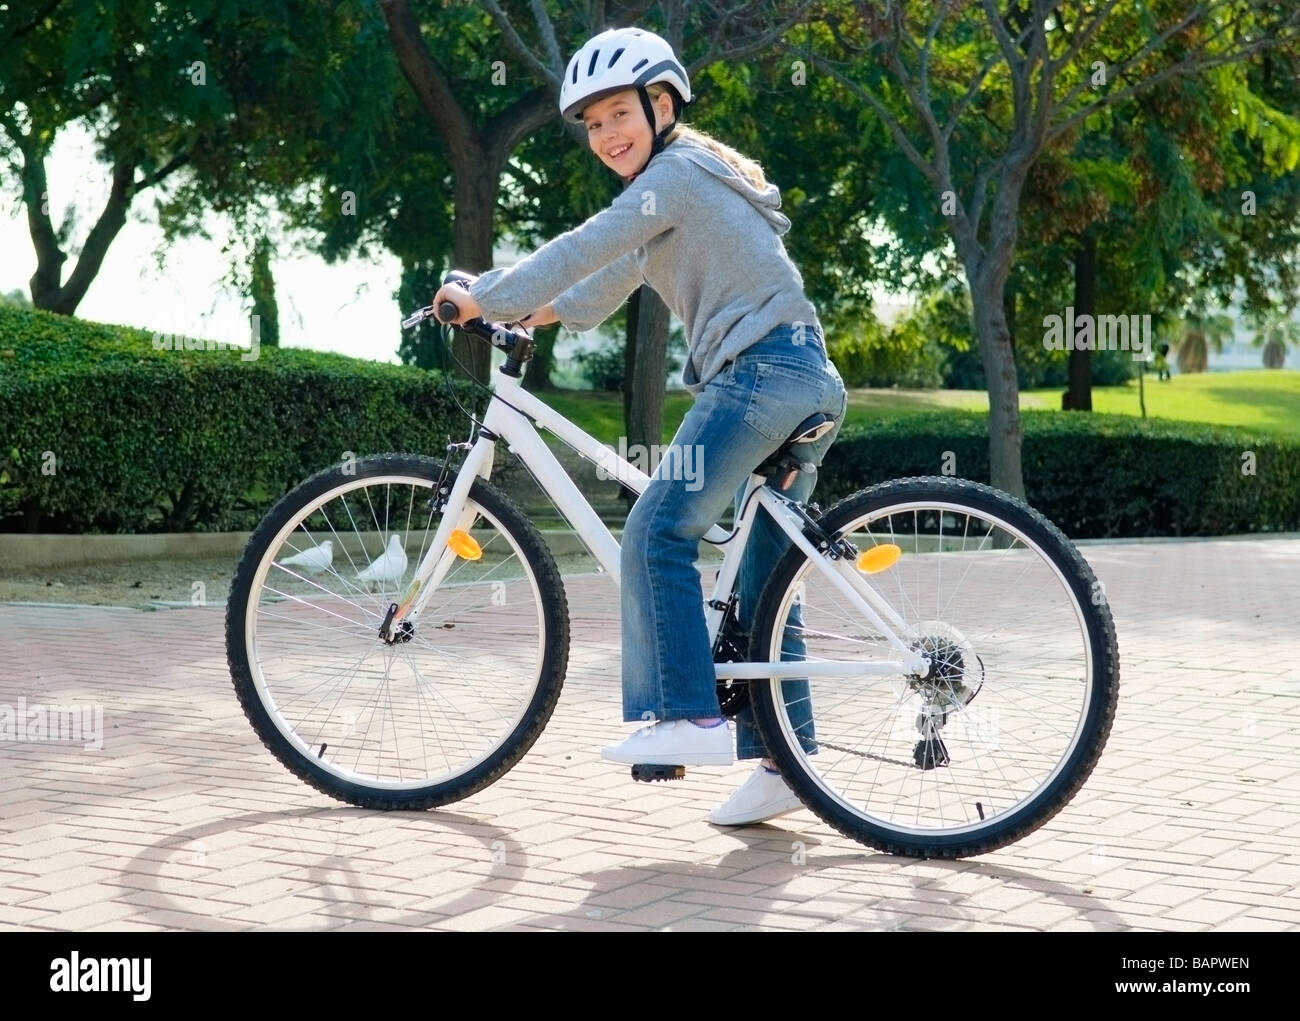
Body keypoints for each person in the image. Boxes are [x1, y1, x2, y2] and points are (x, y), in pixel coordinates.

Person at [432, 27, 847, 826]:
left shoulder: (676, 175)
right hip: (806, 379)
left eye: (618, 113)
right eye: (591, 125)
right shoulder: (685, 184)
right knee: (766, 583)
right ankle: (783, 759)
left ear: (662, 105)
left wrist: (485, 293)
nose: (606, 135)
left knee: (657, 527)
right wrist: (537, 314)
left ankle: (685, 715)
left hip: (758, 374)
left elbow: (587, 243)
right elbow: (614, 271)